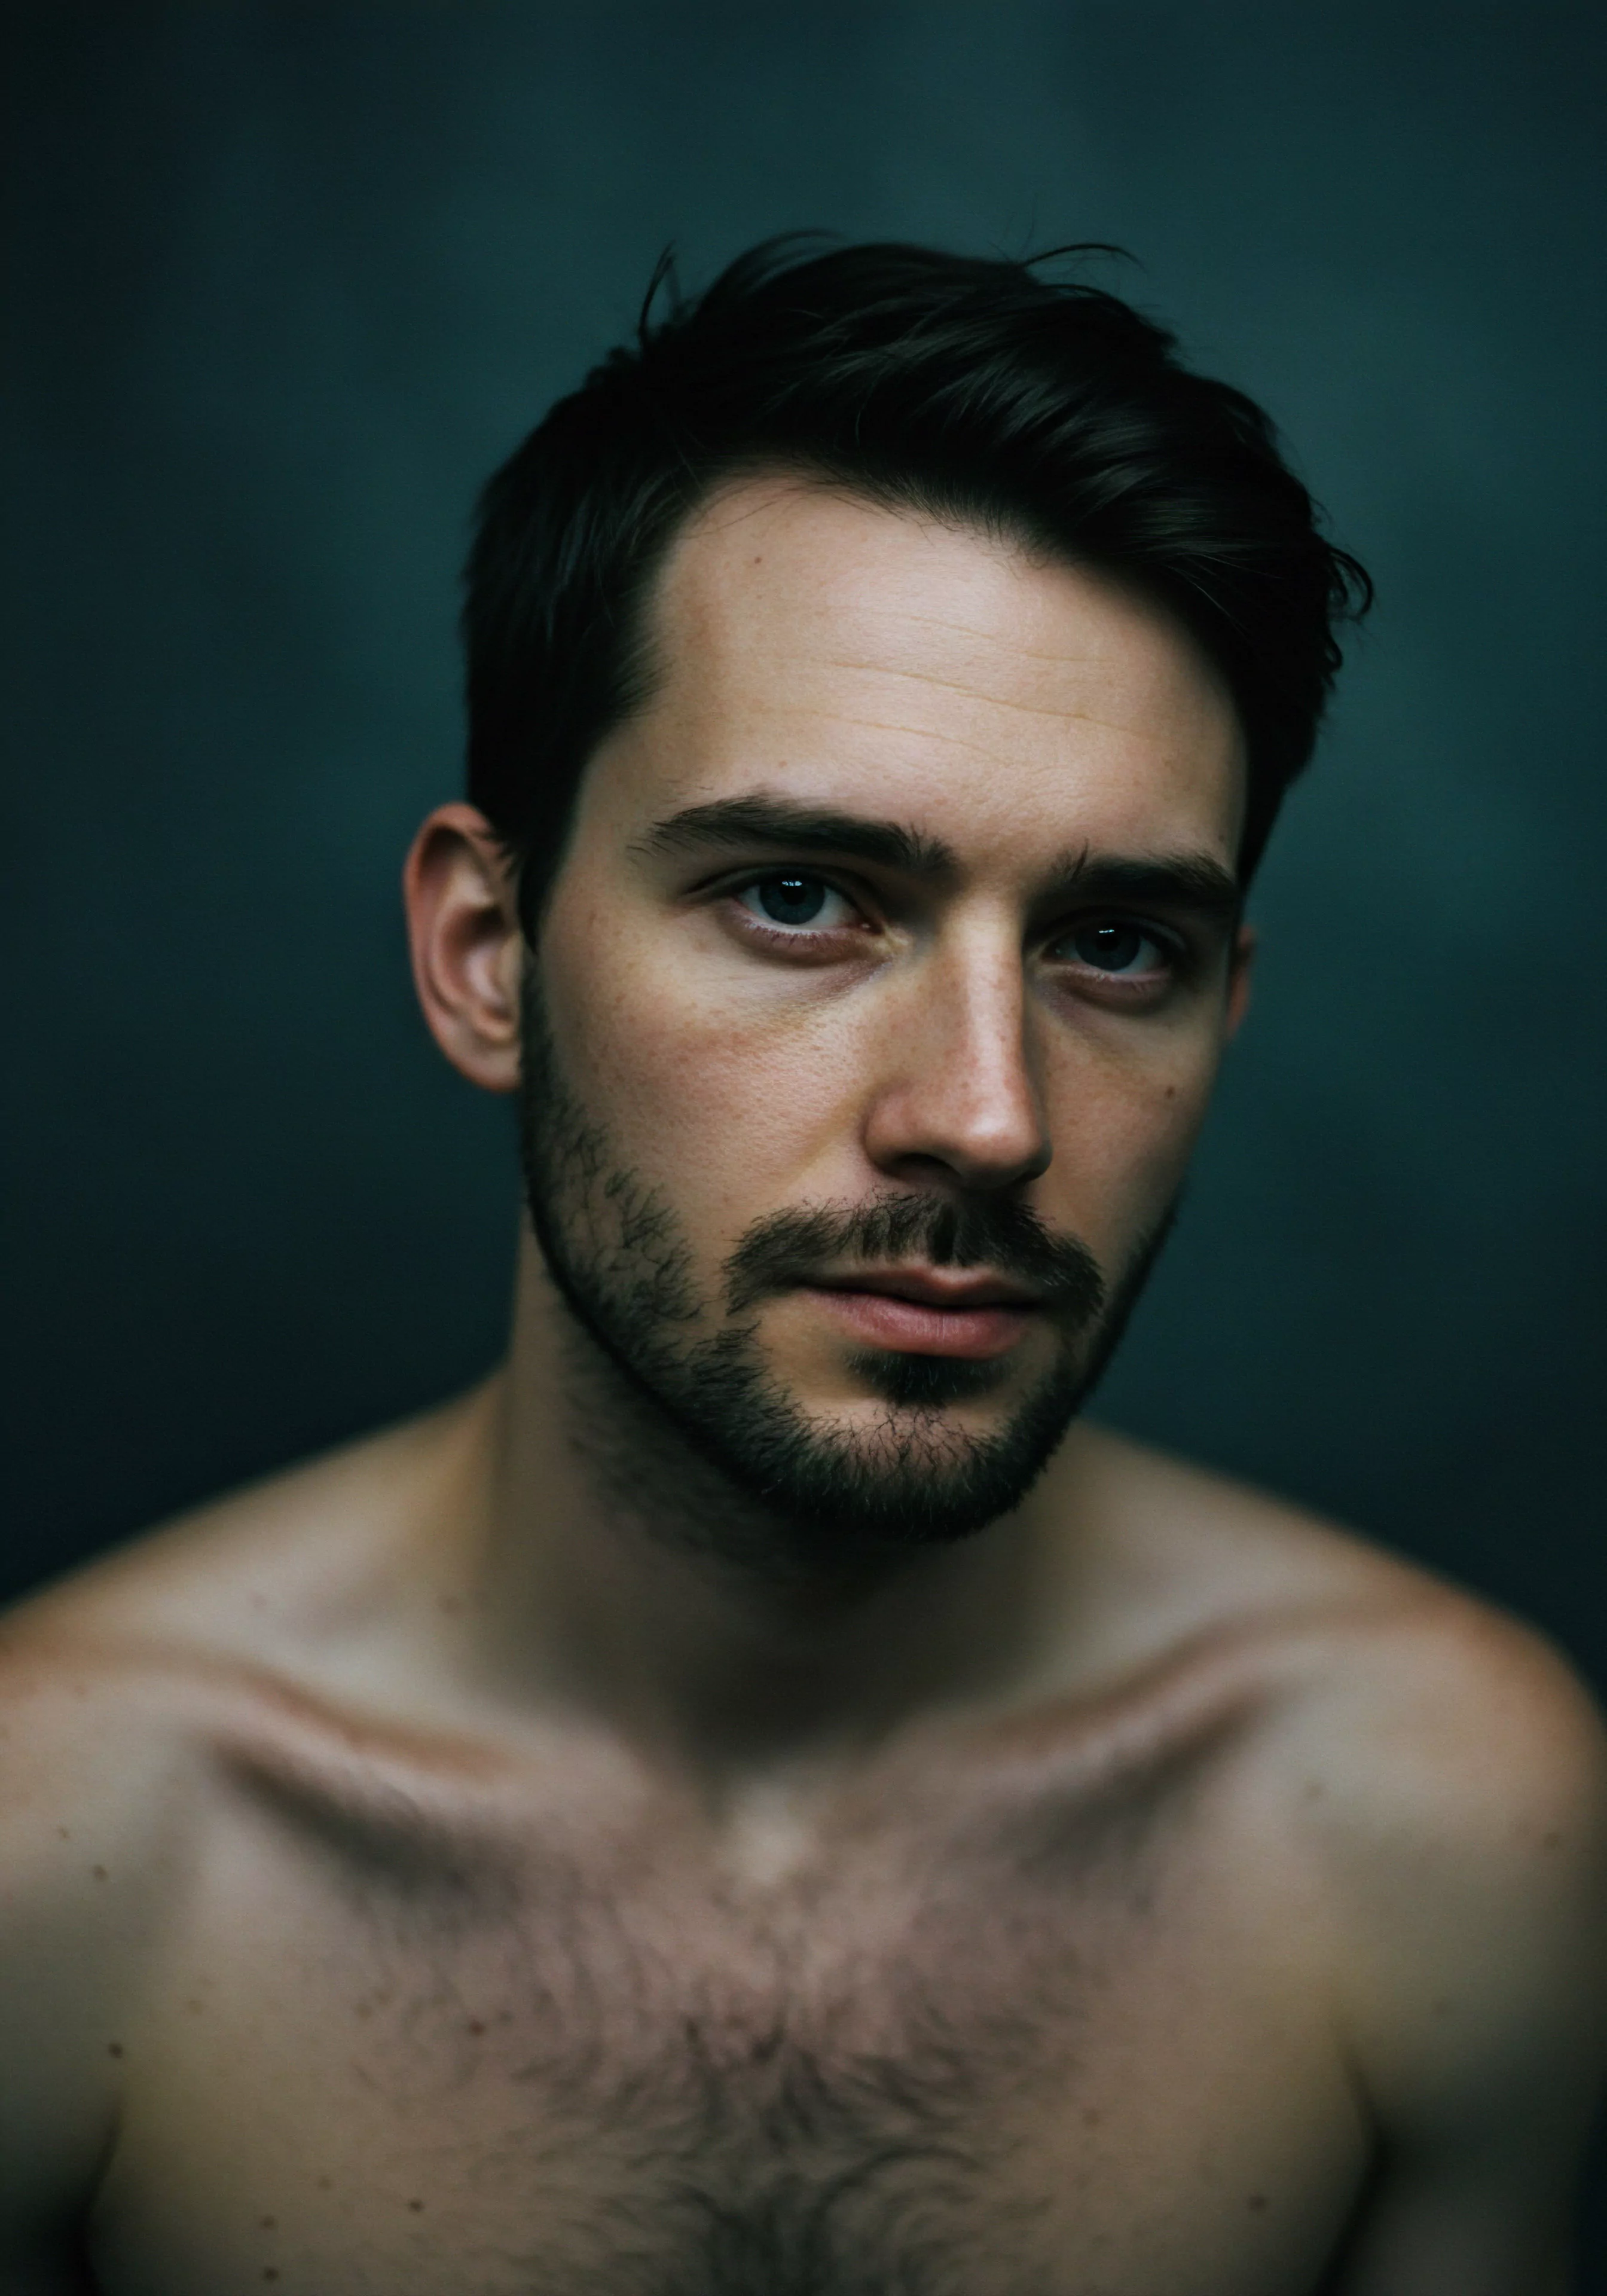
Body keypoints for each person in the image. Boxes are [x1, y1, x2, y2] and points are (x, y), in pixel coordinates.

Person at [2, 239, 1603, 2296]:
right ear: (489, 957)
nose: (990, 1117)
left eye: (1120, 945)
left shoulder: (1433, 1816)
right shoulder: (71, 1858)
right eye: (799, 899)